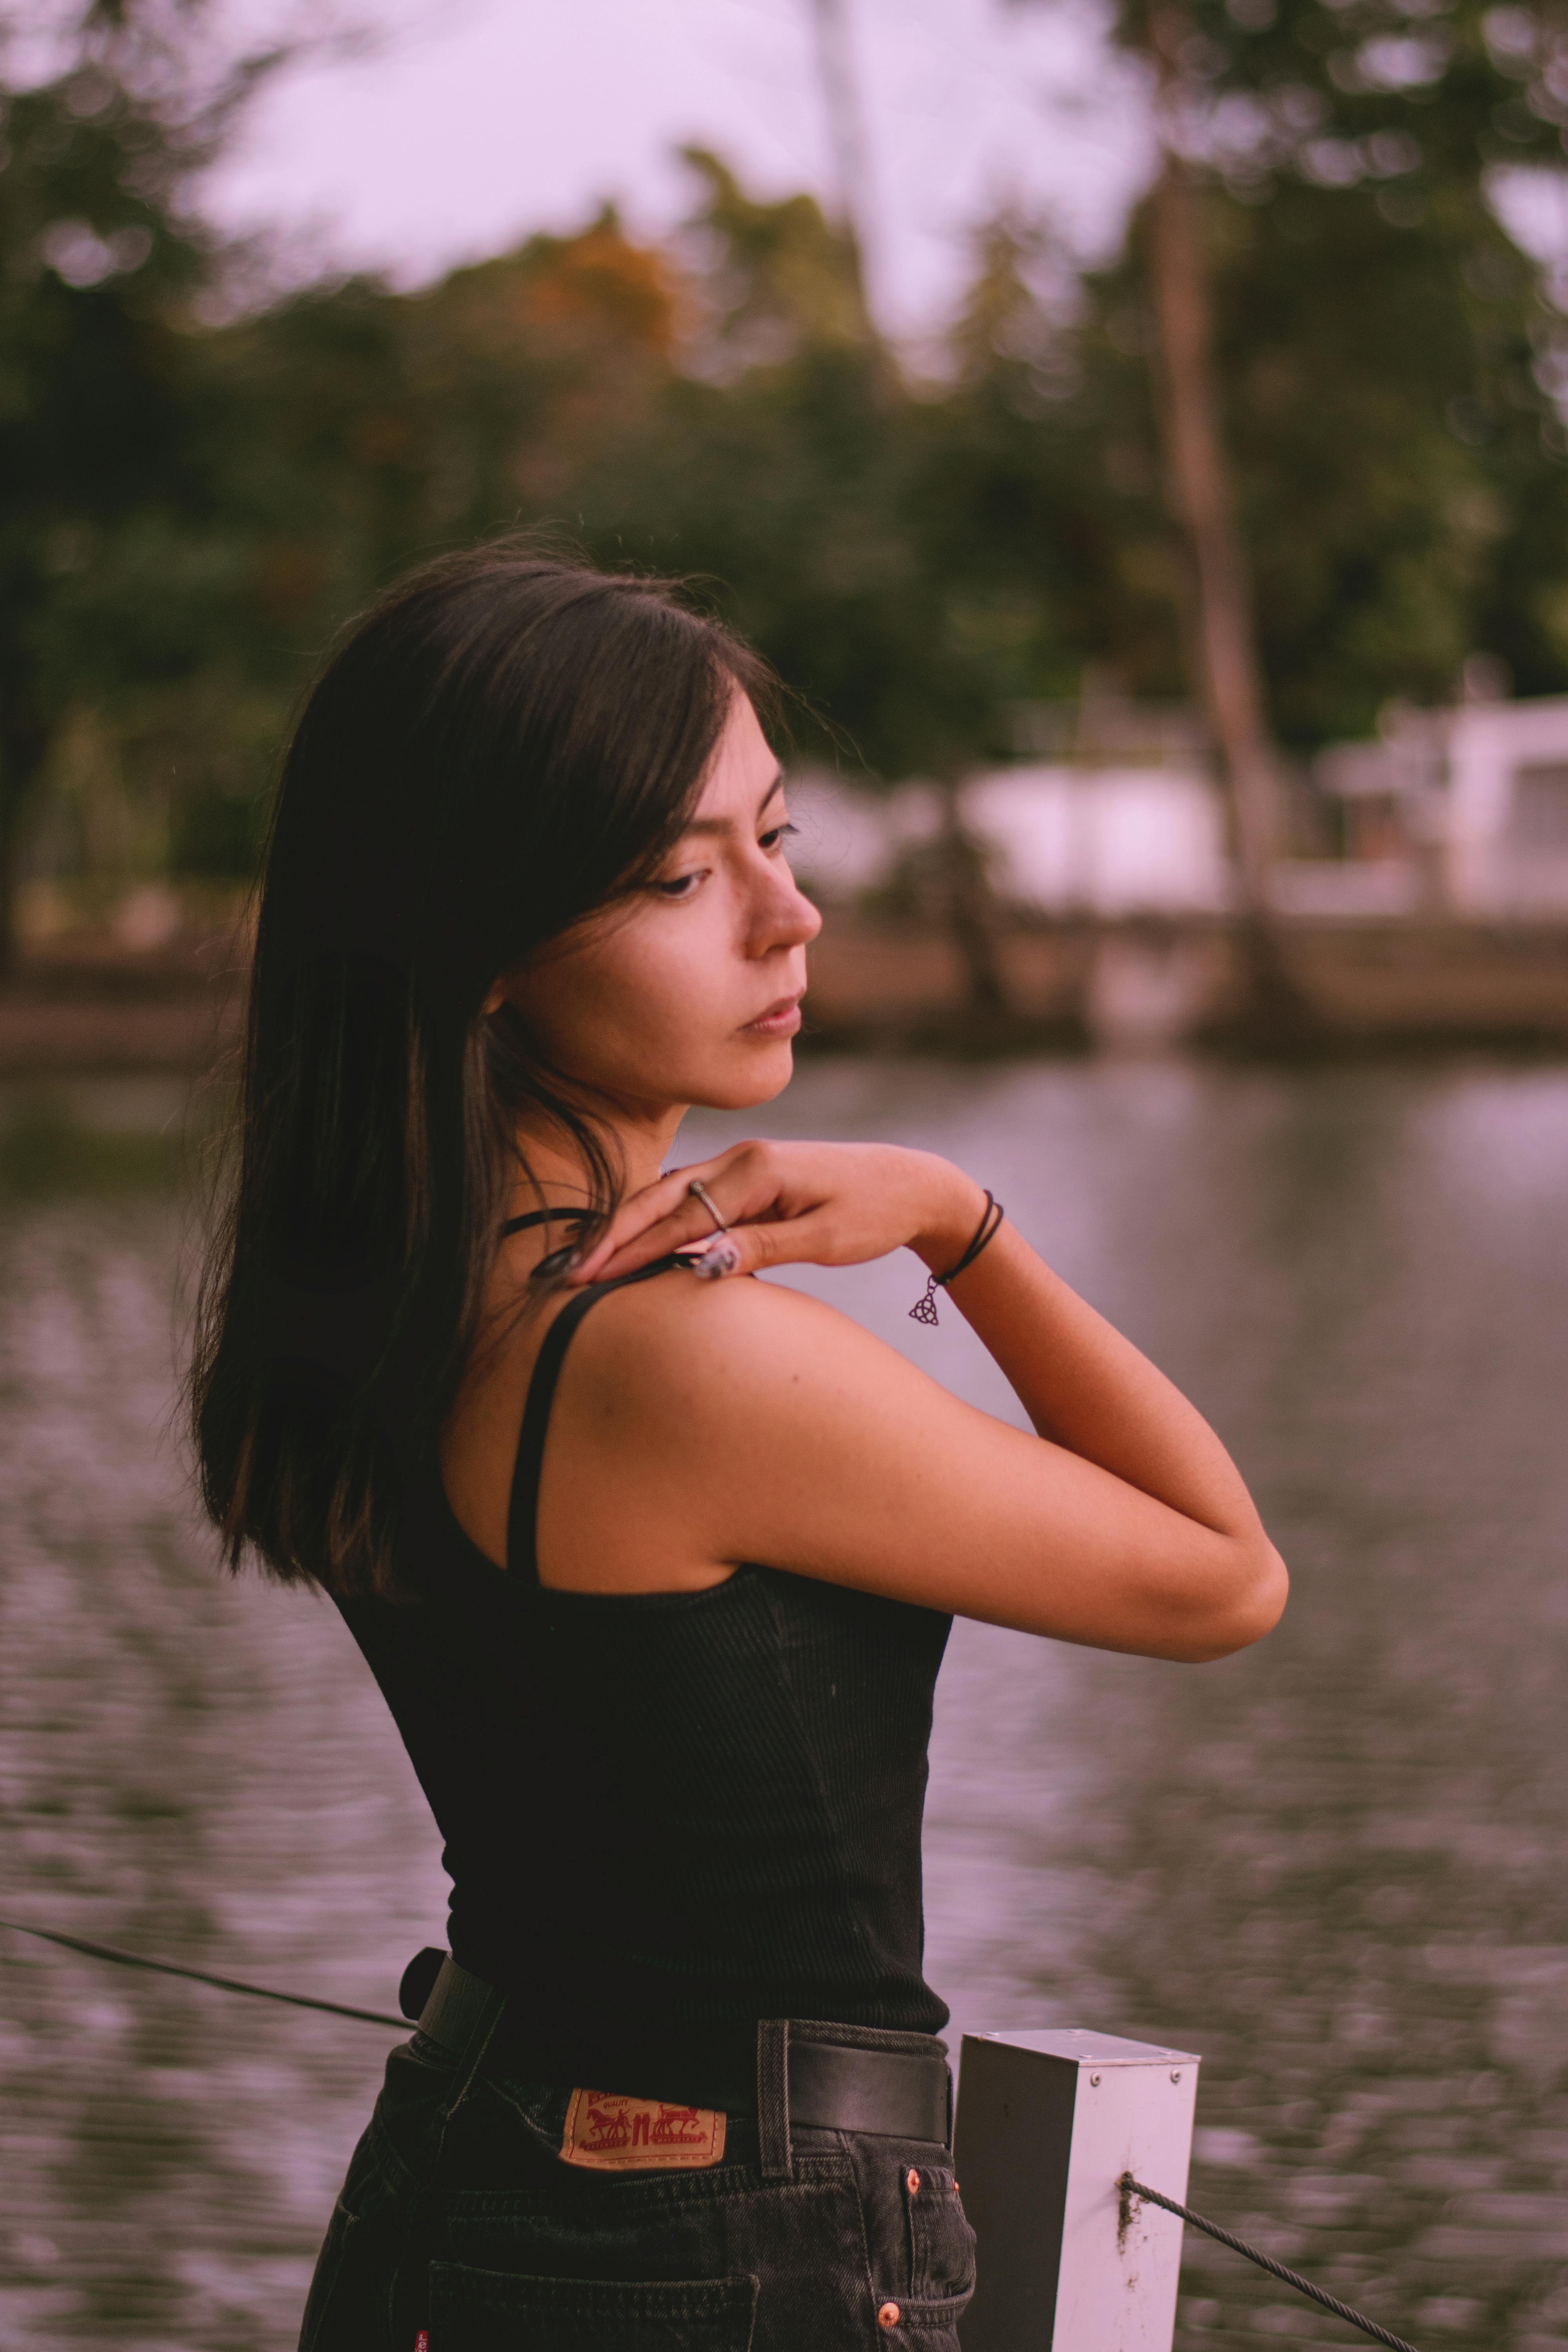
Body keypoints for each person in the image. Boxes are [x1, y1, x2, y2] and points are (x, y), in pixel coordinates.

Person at [189, 543, 1287, 2352]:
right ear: (485, 947)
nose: (787, 918)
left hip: (469, 2170)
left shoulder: (399, 1298)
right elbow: (1221, 1572)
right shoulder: (676, 1364)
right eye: (682, 874)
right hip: (719, 2250)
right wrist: (956, 1222)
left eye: (779, 840)